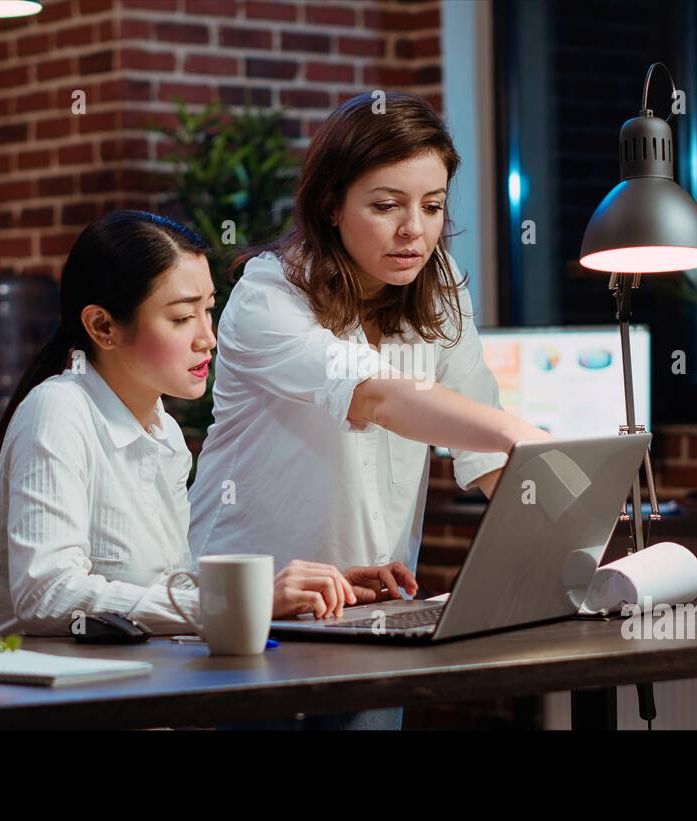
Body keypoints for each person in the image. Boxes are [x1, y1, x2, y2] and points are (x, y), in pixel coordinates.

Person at [189, 93, 551, 729]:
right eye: (386, 206)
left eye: (432, 206)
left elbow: (488, 453)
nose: (414, 229)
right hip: (253, 616)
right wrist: (519, 433)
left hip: (370, 613)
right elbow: (378, 396)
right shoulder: (269, 293)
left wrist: (566, 540)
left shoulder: (441, 292)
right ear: (332, 205)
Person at [0, 211, 357, 637]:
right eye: (182, 318)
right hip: (38, 676)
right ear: (103, 326)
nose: (207, 338)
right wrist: (240, 602)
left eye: (208, 310)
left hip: (135, 671)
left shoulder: (165, 433)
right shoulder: (58, 410)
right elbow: (47, 595)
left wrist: (314, 592)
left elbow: (166, 592)